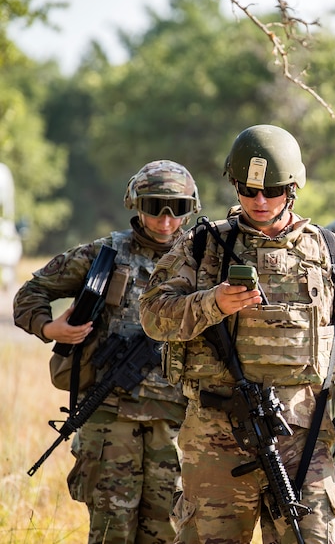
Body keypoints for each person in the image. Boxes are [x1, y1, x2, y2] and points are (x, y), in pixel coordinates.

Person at [138, 124, 335, 544]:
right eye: (248, 189)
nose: (259, 201)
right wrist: (213, 304)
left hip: (304, 437)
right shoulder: (202, 247)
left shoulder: (331, 254)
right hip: (214, 438)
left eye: (272, 190)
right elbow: (153, 315)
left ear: (293, 187)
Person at [13, 160, 202, 544]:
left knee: (168, 531)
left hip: (177, 420)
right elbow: (29, 294)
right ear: (136, 203)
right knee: (110, 531)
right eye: (155, 207)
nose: (166, 220)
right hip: (109, 419)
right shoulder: (104, 256)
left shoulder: (203, 260)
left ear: (190, 209)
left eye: (177, 209)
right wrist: (52, 328)